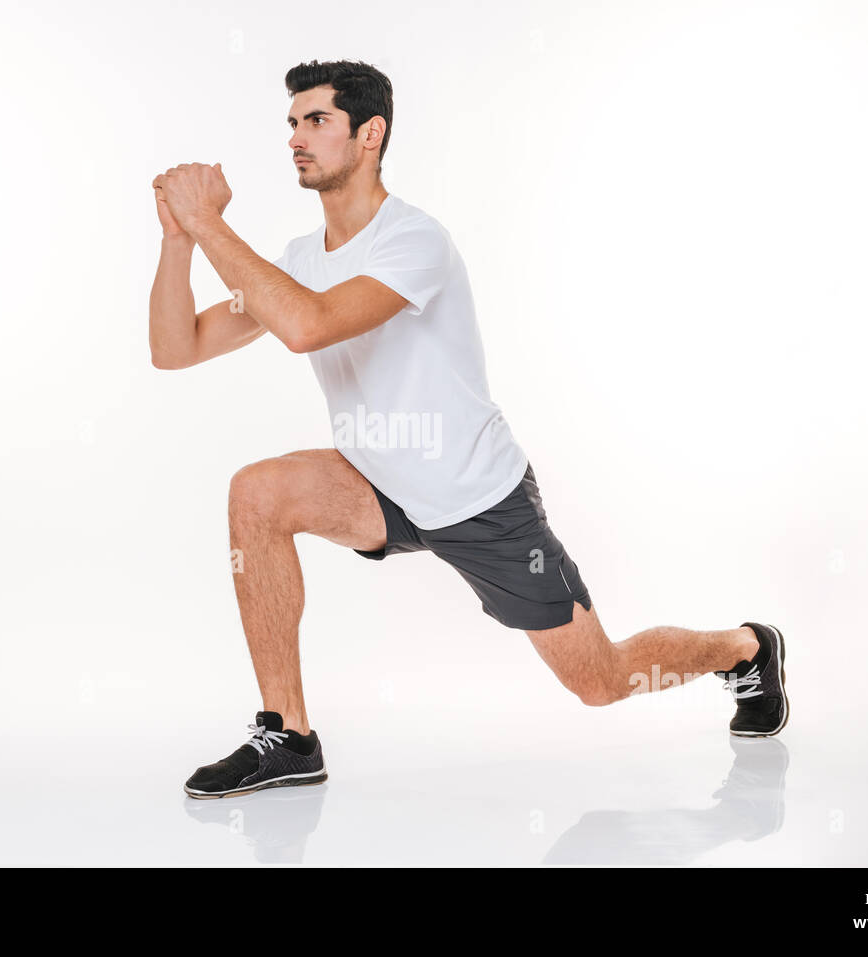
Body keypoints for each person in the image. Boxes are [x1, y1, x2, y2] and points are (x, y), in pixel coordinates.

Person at [149, 59, 788, 800]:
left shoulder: (414, 241)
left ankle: (745, 649)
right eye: (292, 122)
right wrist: (178, 240)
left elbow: (308, 326)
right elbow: (176, 349)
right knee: (256, 493)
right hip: (378, 484)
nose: (297, 136)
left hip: (475, 497)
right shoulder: (297, 261)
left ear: (370, 134)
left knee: (601, 680)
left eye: (316, 120)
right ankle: (289, 734)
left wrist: (209, 220)